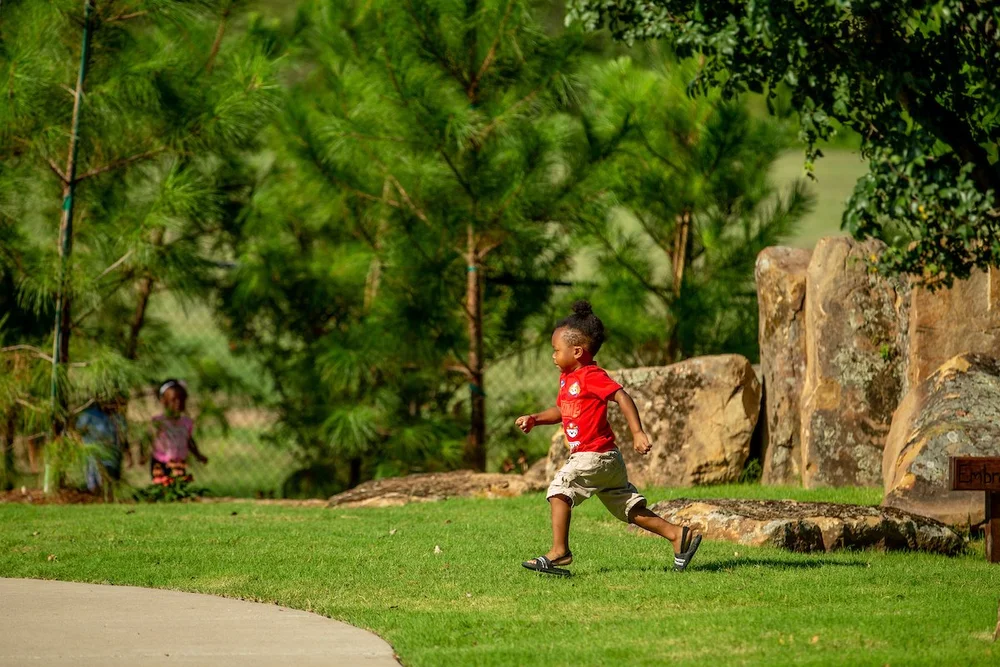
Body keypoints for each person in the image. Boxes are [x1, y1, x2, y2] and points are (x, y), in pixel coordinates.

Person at [516, 301, 703, 575]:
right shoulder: (567, 379)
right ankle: (677, 535)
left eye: (556, 350)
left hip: (594, 455)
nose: (553, 356)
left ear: (577, 351)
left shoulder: (591, 376)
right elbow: (561, 410)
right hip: (606, 460)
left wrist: (637, 432)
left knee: (559, 490)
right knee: (627, 509)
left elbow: (622, 396)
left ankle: (559, 552)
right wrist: (535, 418)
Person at [151, 379, 207, 485]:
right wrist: (143, 456)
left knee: (179, 486)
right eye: (174, 400)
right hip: (161, 462)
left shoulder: (186, 422)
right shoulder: (158, 422)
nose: (178, 403)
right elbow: (148, 439)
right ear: (163, 400)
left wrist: (198, 455)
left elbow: (189, 441)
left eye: (181, 400)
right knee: (163, 487)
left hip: (179, 463)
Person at [76, 395, 129, 492]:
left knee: (110, 481)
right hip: (94, 453)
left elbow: (123, 438)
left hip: (113, 456)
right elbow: (78, 433)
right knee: (94, 479)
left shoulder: (119, 418)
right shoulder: (89, 415)